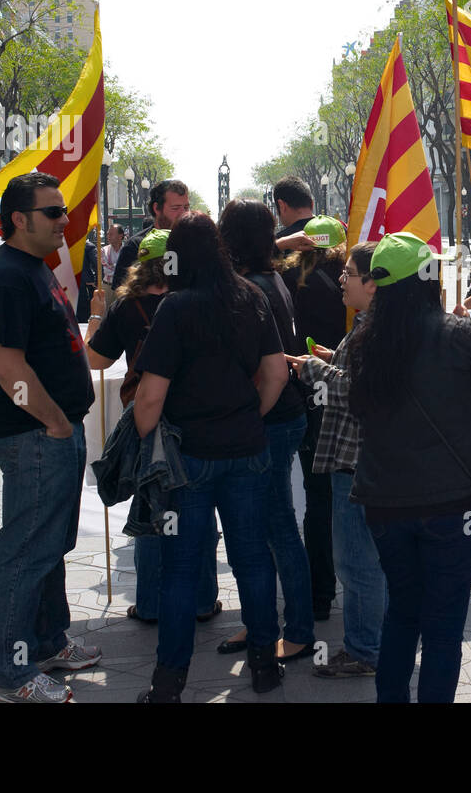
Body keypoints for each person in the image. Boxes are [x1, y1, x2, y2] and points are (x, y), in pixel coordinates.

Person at [348, 232, 471, 703]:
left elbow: (358, 408)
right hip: (451, 506)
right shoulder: (458, 334)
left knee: (402, 614)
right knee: (442, 628)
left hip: (385, 504)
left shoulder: (362, 343)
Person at [132, 213, 290, 702]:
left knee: (179, 569)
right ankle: (264, 663)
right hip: (247, 449)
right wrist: (248, 415)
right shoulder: (252, 298)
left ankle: (168, 683)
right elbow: (276, 374)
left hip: (188, 458)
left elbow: (150, 396)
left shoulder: (175, 309)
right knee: (253, 558)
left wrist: (146, 440)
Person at [0, 172, 100, 703]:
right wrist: (52, 420)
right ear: (19, 219)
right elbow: (7, 368)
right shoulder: (6, 276)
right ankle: (13, 673)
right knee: (25, 553)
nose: (63, 221)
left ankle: (48, 642)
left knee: (50, 546)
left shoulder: (33, 267)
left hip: (54, 431)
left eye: (63, 211)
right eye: (53, 212)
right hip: (34, 436)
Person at [86, 228, 222, 627]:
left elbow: (94, 360)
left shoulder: (128, 305)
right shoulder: (201, 300)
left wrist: (96, 312)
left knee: (151, 505)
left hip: (149, 414)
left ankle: (150, 604)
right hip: (196, 413)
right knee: (197, 507)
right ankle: (201, 599)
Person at [216, 200, 314, 662]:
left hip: (271, 417)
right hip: (284, 414)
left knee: (276, 527)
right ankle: (261, 622)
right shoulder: (270, 276)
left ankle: (296, 629)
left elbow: (266, 369)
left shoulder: (250, 286)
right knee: (264, 527)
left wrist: (249, 417)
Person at [292, 239, 386, 679]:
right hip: (374, 459)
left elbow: (356, 389)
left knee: (357, 563)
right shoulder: (377, 322)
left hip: (355, 460)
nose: (342, 281)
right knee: (374, 559)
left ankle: (365, 650)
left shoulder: (374, 328)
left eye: (349, 273)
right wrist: (335, 359)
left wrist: (314, 369)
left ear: (372, 282)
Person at [276, 183, 345, 620]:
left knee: (315, 498)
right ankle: (359, 579)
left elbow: (238, 259)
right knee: (350, 492)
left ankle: (319, 592)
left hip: (305, 391)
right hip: (348, 389)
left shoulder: (284, 277)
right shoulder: (352, 279)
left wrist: (280, 243)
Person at [112, 179, 189, 288]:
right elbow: (121, 290)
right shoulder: (135, 246)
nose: (183, 213)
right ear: (157, 208)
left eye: (186, 207)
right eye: (175, 208)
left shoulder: (192, 242)